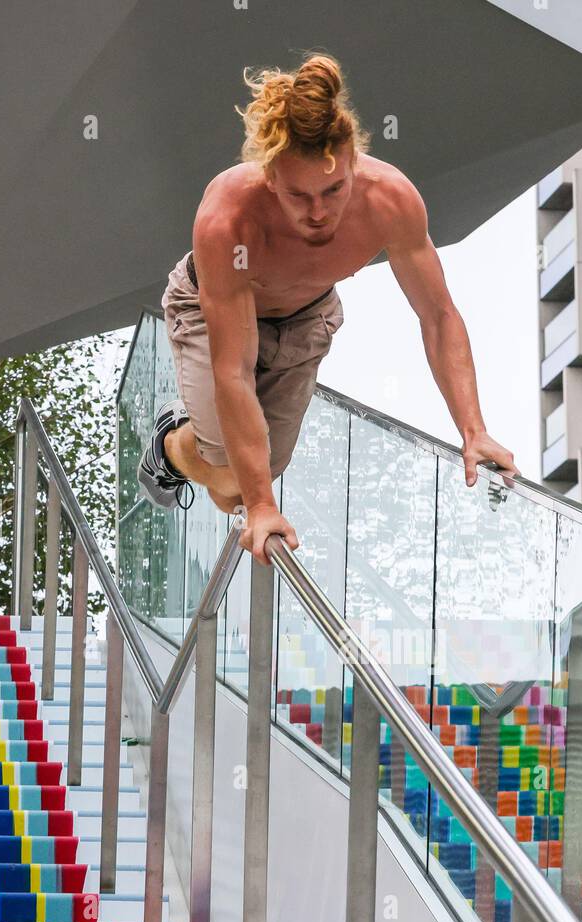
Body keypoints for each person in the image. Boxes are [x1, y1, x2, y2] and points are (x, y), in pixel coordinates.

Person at [139, 52, 517, 564]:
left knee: (237, 487)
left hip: (306, 316)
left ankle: (204, 458)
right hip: (217, 316)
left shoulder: (391, 201)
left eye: (334, 189)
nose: (318, 212)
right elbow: (232, 370)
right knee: (235, 478)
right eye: (299, 195)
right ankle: (169, 446)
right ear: (270, 177)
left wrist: (474, 430)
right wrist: (262, 508)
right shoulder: (229, 219)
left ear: (353, 165)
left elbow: (438, 315)